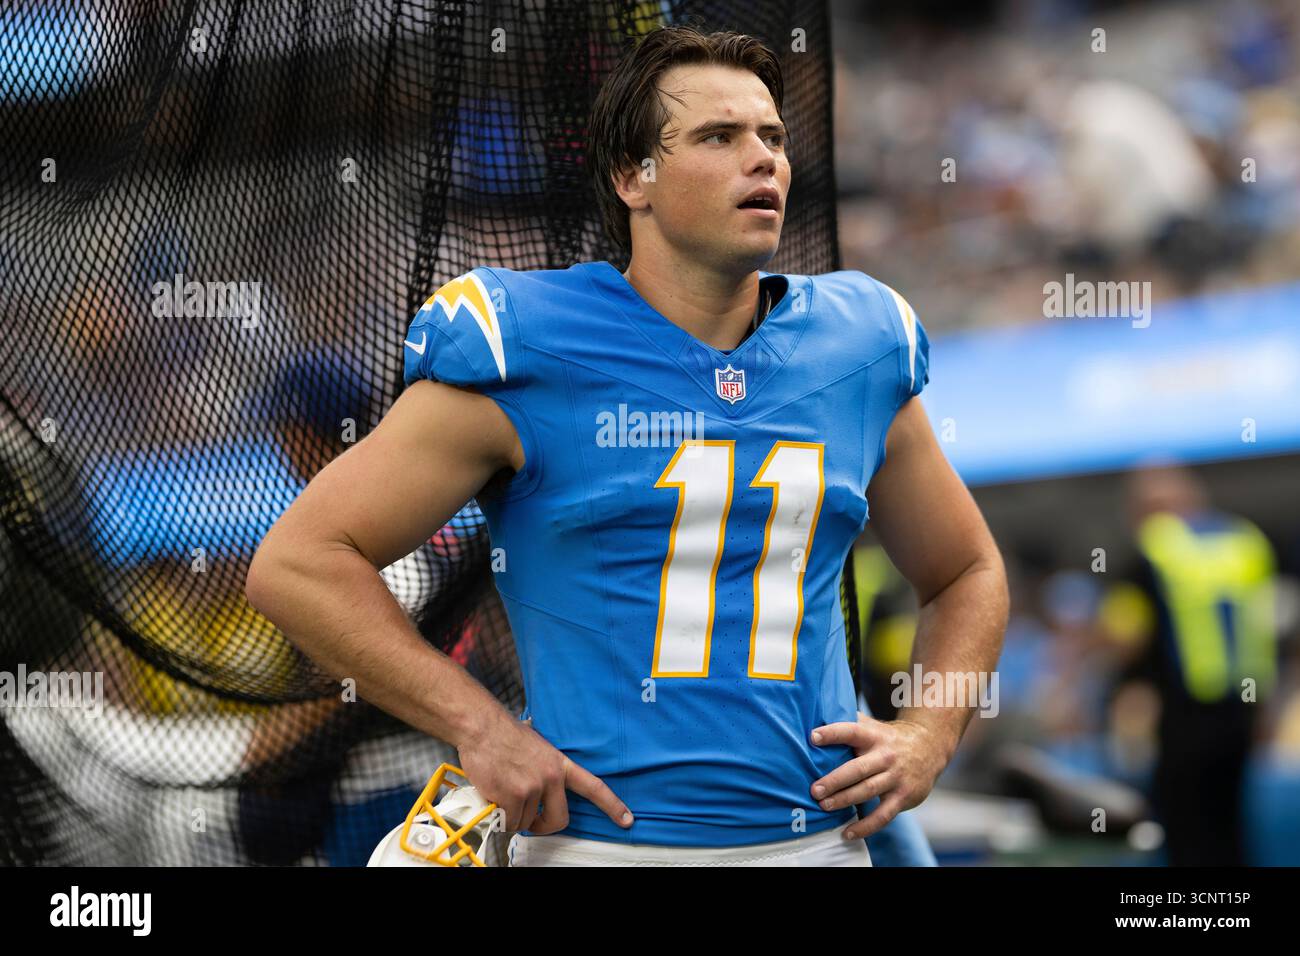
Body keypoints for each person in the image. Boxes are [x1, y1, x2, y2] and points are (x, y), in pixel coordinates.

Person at [246, 25, 1008, 866]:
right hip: (603, 846)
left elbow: (966, 570)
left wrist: (931, 731)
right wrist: (479, 726)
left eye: (773, 137)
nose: (763, 160)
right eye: (719, 137)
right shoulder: (530, 346)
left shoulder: (858, 344)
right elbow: (300, 561)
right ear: (630, 177)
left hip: (819, 841)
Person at [1120, 464, 1277, 866]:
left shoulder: (1155, 546)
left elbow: (1125, 637)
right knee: (1230, 830)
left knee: (1186, 834)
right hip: (1243, 711)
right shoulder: (1244, 540)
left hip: (1183, 717)